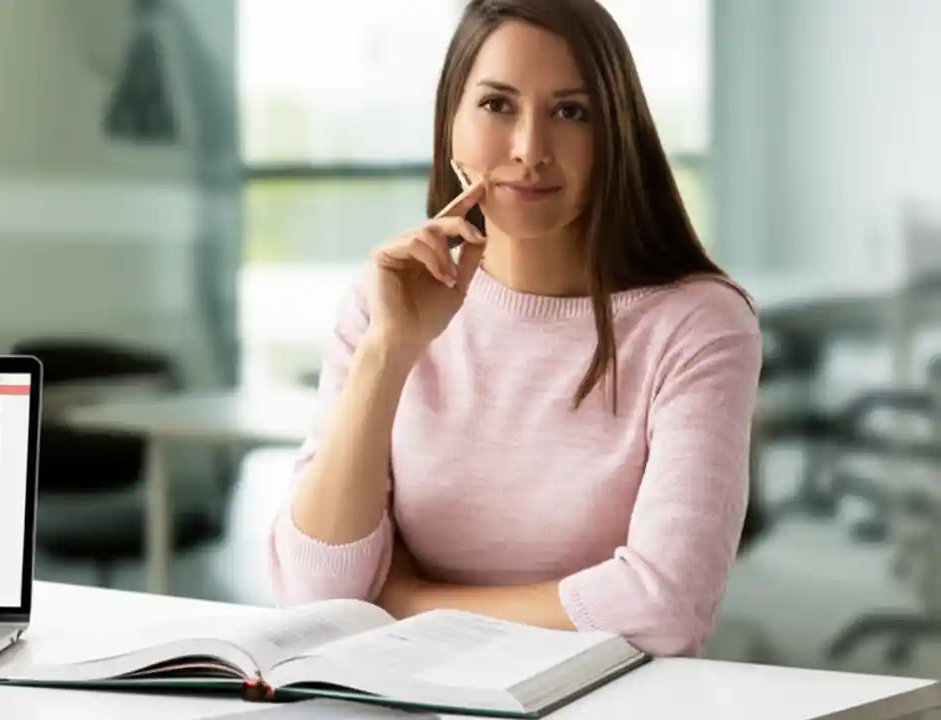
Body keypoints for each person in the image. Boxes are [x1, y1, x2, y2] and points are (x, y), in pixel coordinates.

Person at [266, 0, 762, 657]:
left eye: (571, 112)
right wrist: (389, 352)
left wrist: (406, 603)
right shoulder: (382, 302)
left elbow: (665, 606)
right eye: (498, 105)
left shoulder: (697, 324)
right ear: (451, 123)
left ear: (615, 133)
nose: (531, 150)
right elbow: (313, 594)